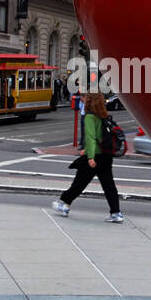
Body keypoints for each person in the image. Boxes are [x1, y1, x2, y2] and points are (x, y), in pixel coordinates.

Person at [52, 92, 123, 223]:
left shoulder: (90, 116)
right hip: (106, 155)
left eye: (85, 97)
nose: (82, 99)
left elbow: (90, 138)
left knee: (79, 182)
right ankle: (116, 213)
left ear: (90, 100)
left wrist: (90, 157)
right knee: (109, 185)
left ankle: (64, 203)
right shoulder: (104, 115)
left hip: (95, 155)